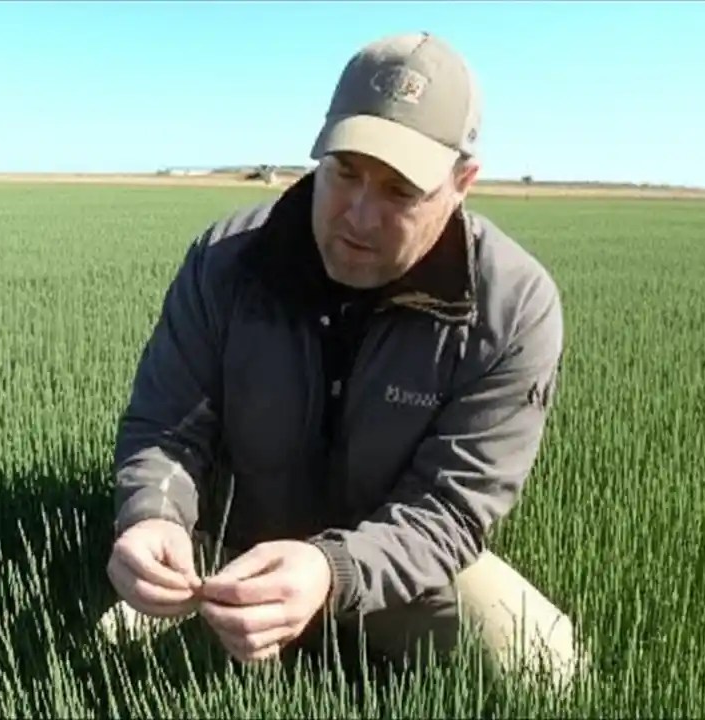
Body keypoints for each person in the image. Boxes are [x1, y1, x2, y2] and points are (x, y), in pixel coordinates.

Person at [102, 31, 584, 690]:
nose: (358, 214)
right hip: (230, 551)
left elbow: (450, 508)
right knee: (105, 648)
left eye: (399, 191)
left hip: (397, 566)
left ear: (462, 182)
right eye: (346, 171)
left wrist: (332, 570)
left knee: (543, 667)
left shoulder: (512, 307)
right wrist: (152, 517)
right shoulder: (225, 262)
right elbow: (165, 427)